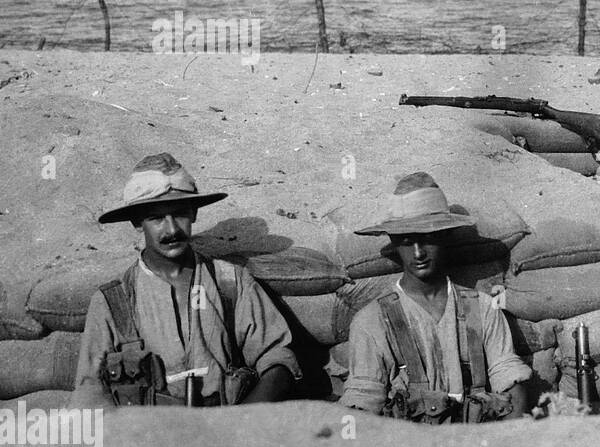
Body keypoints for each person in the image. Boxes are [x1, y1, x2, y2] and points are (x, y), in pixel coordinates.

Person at [74, 153, 301, 408]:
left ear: (193, 214)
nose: (171, 230)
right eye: (156, 218)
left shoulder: (231, 282)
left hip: (227, 427)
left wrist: (244, 422)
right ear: (137, 222)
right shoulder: (113, 301)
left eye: (180, 214)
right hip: (149, 436)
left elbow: (278, 358)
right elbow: (90, 391)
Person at [340, 172, 531, 423]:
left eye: (428, 239)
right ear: (394, 244)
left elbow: (509, 379)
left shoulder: (483, 308)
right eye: (407, 242)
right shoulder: (372, 321)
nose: (418, 253)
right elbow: (362, 402)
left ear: (446, 236)